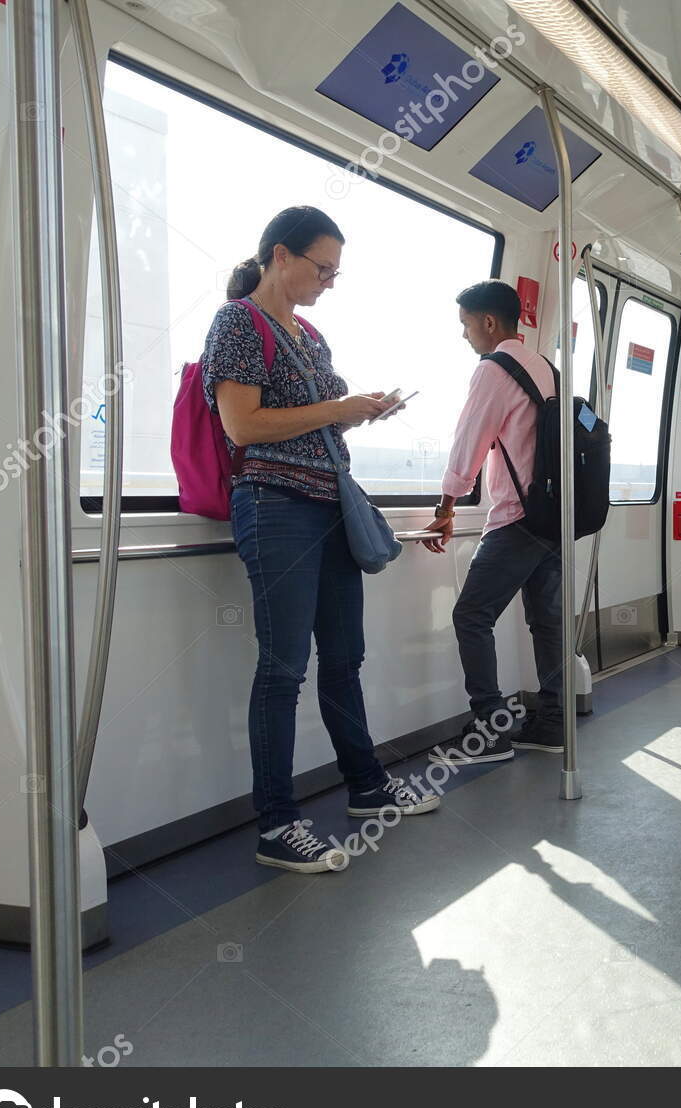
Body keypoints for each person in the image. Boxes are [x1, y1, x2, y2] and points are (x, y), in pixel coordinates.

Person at [205, 206, 439, 873]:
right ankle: (277, 823)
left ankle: (367, 785)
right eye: (322, 268)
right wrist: (339, 408)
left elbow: (313, 423)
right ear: (281, 256)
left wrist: (360, 413)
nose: (328, 282)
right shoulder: (238, 323)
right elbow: (243, 425)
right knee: (283, 669)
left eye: (336, 273)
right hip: (275, 506)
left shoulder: (309, 335)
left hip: (328, 506)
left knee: (344, 658)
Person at [420, 280, 565, 757]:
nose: (465, 335)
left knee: (471, 616)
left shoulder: (494, 369)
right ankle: (553, 723)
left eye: (466, 325)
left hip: (517, 519)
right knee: (546, 622)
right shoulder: (545, 367)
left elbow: (469, 442)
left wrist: (446, 507)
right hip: (553, 517)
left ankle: (488, 730)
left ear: (488, 322)